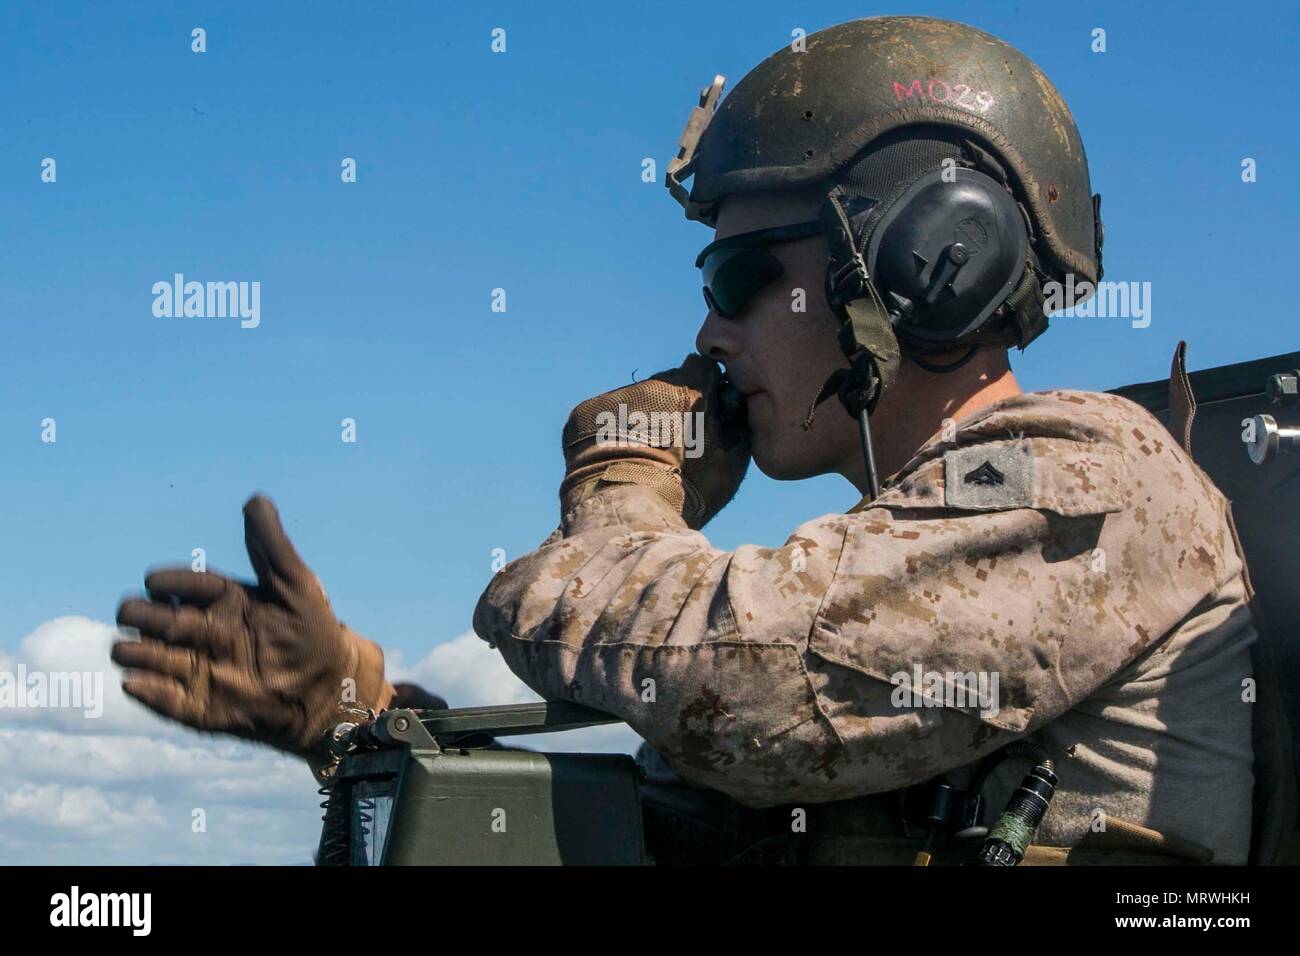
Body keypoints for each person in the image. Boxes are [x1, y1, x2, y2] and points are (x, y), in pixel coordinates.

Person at [111, 16, 1263, 864]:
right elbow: (676, 822)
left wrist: (621, 484)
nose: (709, 326)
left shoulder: (1092, 479)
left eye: (742, 275)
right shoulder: (912, 542)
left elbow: (752, 689)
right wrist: (354, 711)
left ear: (923, 262)